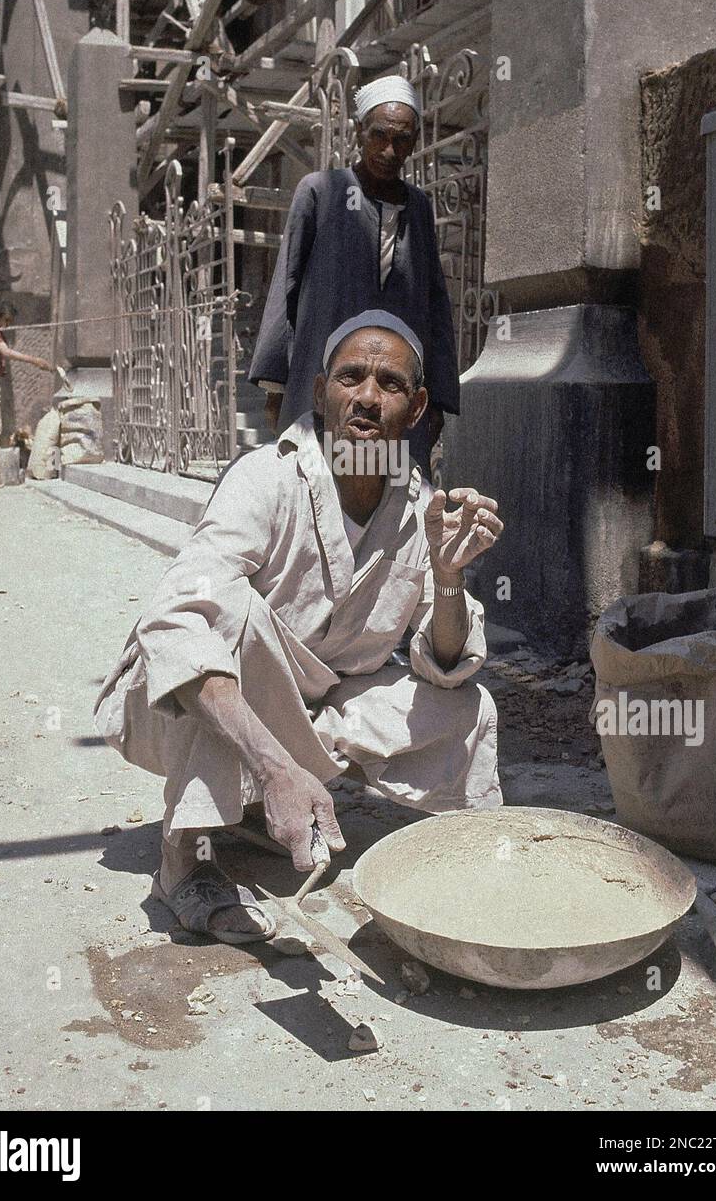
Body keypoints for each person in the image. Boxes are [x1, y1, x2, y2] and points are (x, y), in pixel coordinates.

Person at [94, 311, 504, 944]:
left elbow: (444, 657)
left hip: (307, 710)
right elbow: (175, 623)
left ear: (418, 406)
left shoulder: (420, 506)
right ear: (320, 393)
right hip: (175, 704)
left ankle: (458, 854)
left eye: (390, 384)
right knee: (233, 615)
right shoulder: (264, 478)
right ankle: (185, 860)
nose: (367, 397)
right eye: (351, 378)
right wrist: (277, 767)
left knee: (464, 705)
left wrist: (448, 577)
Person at [248, 74, 460, 470]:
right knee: (318, 482)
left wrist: (439, 398)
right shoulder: (318, 192)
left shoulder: (419, 207)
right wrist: (275, 384)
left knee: (389, 491)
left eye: (402, 140)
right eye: (379, 135)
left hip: (393, 391)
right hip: (323, 379)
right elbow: (285, 289)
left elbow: (434, 304)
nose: (389, 150)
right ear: (359, 131)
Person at [0, 302, 54, 445]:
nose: (8, 324)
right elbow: (6, 352)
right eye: (6, 320)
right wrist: (34, 360)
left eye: (10, 321)